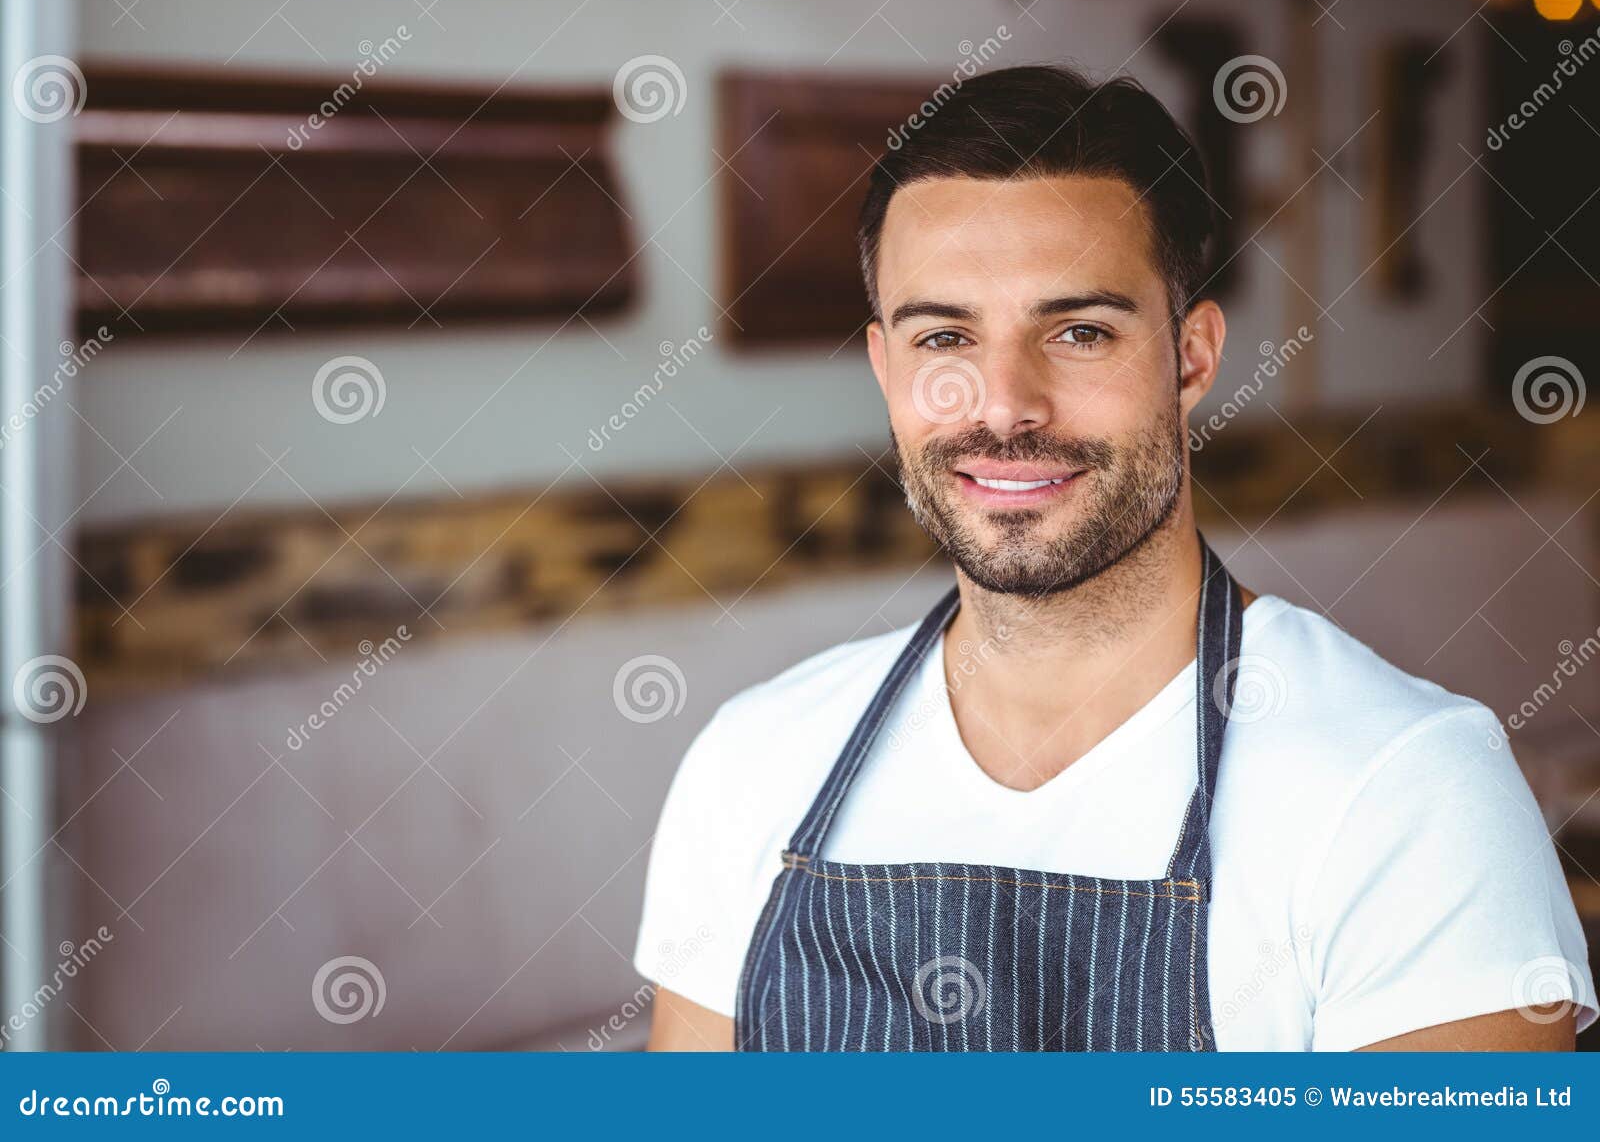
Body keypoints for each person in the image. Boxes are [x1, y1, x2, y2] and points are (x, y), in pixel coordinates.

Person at [634, 64, 1595, 1051]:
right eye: (944, 337)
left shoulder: (1410, 791)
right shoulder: (749, 765)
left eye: (1079, 330)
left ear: (1191, 358)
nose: (1003, 403)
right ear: (886, 369)